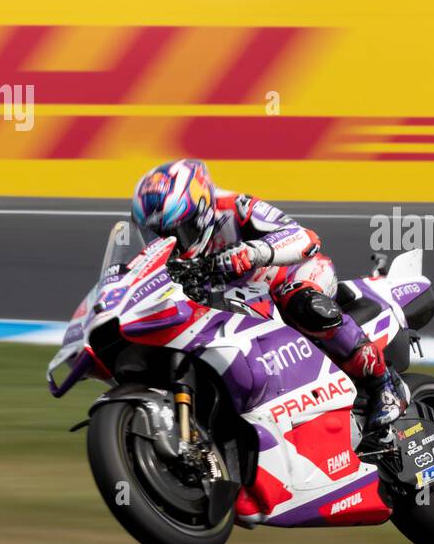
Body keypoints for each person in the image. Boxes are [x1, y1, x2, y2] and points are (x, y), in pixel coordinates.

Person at [130, 158, 404, 429]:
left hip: (291, 273)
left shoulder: (235, 206)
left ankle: (383, 383)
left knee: (301, 302)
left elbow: (305, 237)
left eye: (176, 232)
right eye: (156, 235)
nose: (170, 243)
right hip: (236, 296)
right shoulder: (172, 256)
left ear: (200, 215)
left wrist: (253, 252)